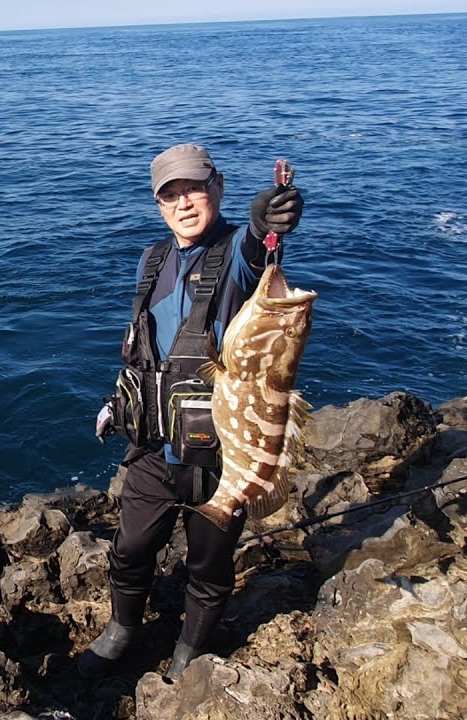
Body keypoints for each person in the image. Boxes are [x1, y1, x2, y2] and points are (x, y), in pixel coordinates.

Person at [82, 144, 304, 679]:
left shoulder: (234, 253)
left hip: (218, 453)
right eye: (170, 194)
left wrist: (262, 223)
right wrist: (118, 403)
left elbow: (257, 253)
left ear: (218, 189)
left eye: (194, 189)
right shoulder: (152, 258)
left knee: (208, 564)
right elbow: (145, 348)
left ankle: (190, 652)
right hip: (153, 445)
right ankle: (121, 628)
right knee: (130, 548)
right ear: (158, 204)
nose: (183, 203)